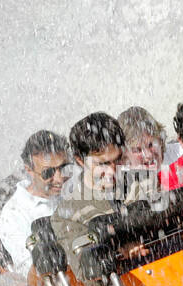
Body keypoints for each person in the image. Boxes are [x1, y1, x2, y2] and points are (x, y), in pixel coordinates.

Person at [49, 113, 151, 267]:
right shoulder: (66, 215)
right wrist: (118, 250)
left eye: (118, 160)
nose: (112, 171)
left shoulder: (144, 181)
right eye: (102, 164)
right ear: (79, 160)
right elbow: (85, 270)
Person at [0, 130, 69, 275]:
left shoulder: (76, 188)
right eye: (48, 173)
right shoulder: (13, 214)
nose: (59, 178)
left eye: (64, 168)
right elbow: (32, 273)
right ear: (29, 170)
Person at [117, 106, 182, 181]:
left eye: (151, 145)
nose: (149, 155)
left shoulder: (182, 156)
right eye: (137, 150)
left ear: (160, 140)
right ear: (123, 157)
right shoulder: (118, 178)